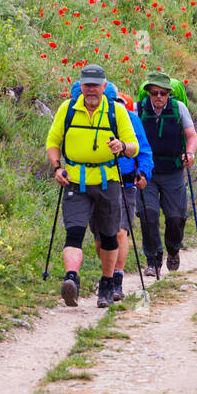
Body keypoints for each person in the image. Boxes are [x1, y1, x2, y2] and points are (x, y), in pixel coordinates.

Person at [45, 63, 140, 308]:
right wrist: (57, 167)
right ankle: (71, 280)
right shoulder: (67, 109)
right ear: (80, 85)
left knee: (109, 237)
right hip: (75, 181)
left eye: (95, 86)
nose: (90, 90)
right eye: (86, 85)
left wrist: (122, 146)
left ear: (104, 86)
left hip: (108, 182)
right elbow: (53, 142)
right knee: (74, 233)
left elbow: (134, 146)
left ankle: (107, 285)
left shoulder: (116, 112)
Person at [136, 70, 197, 276]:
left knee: (175, 218)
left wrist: (189, 153)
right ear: (148, 94)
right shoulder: (139, 110)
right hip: (147, 173)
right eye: (154, 93)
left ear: (169, 93)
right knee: (148, 215)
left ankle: (173, 250)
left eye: (163, 93)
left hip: (173, 171)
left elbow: (191, 135)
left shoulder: (179, 109)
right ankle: (153, 261)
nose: (159, 97)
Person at [107, 86, 152, 302]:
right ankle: (107, 275)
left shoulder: (131, 118)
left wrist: (143, 172)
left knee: (120, 231)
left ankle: (117, 280)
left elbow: (143, 150)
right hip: (100, 183)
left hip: (126, 183)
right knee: (102, 237)